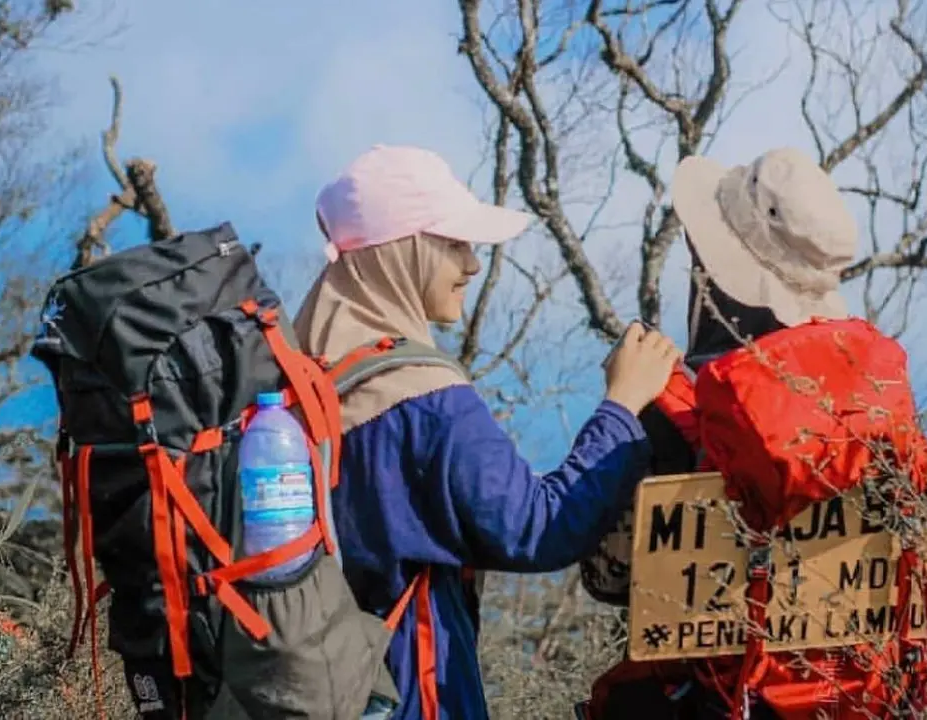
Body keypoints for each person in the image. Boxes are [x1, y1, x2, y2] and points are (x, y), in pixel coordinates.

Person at [292, 144, 683, 720]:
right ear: (407, 251)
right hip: (408, 696)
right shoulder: (420, 395)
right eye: (454, 244)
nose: (472, 266)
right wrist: (623, 405)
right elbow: (538, 528)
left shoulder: (301, 388)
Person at [576, 146, 859, 720]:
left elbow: (605, 577)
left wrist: (620, 405)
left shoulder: (670, 410)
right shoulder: (863, 403)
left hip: (708, 700)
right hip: (837, 699)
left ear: (711, 268)